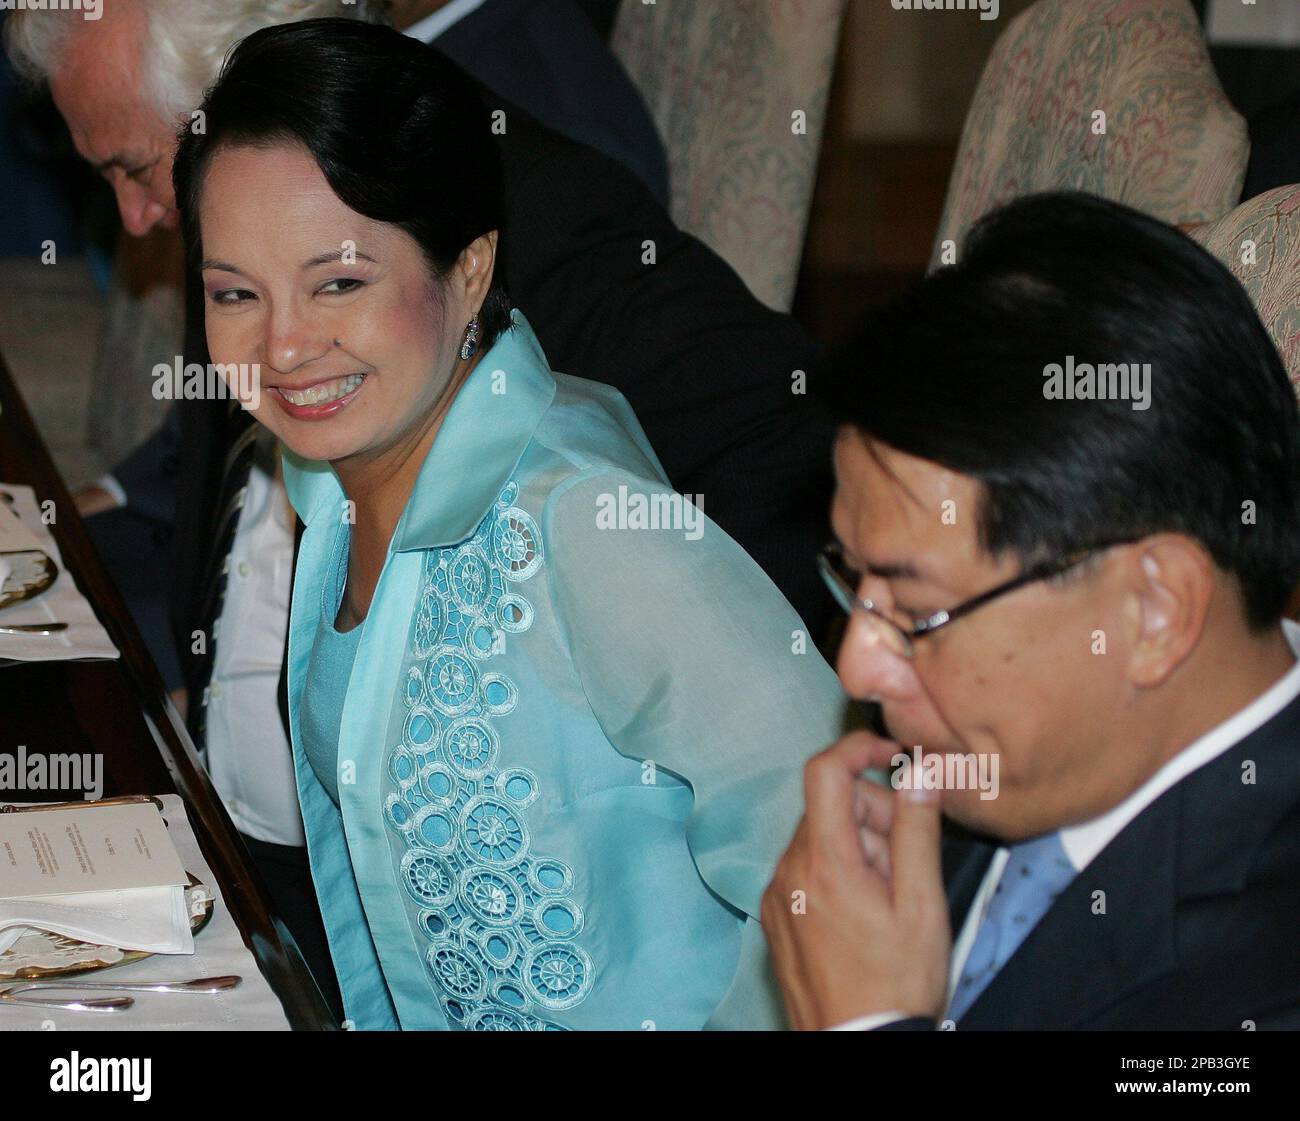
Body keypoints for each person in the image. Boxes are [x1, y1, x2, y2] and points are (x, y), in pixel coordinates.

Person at [5, 0, 833, 1014]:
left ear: (471, 267)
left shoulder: (588, 529)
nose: (285, 347)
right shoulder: (326, 501)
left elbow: (829, 851)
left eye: (339, 283)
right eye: (234, 294)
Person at [762, 191, 1300, 1030]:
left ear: (1156, 610)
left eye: (918, 610)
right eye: (854, 579)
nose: (857, 664)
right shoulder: (989, 774)